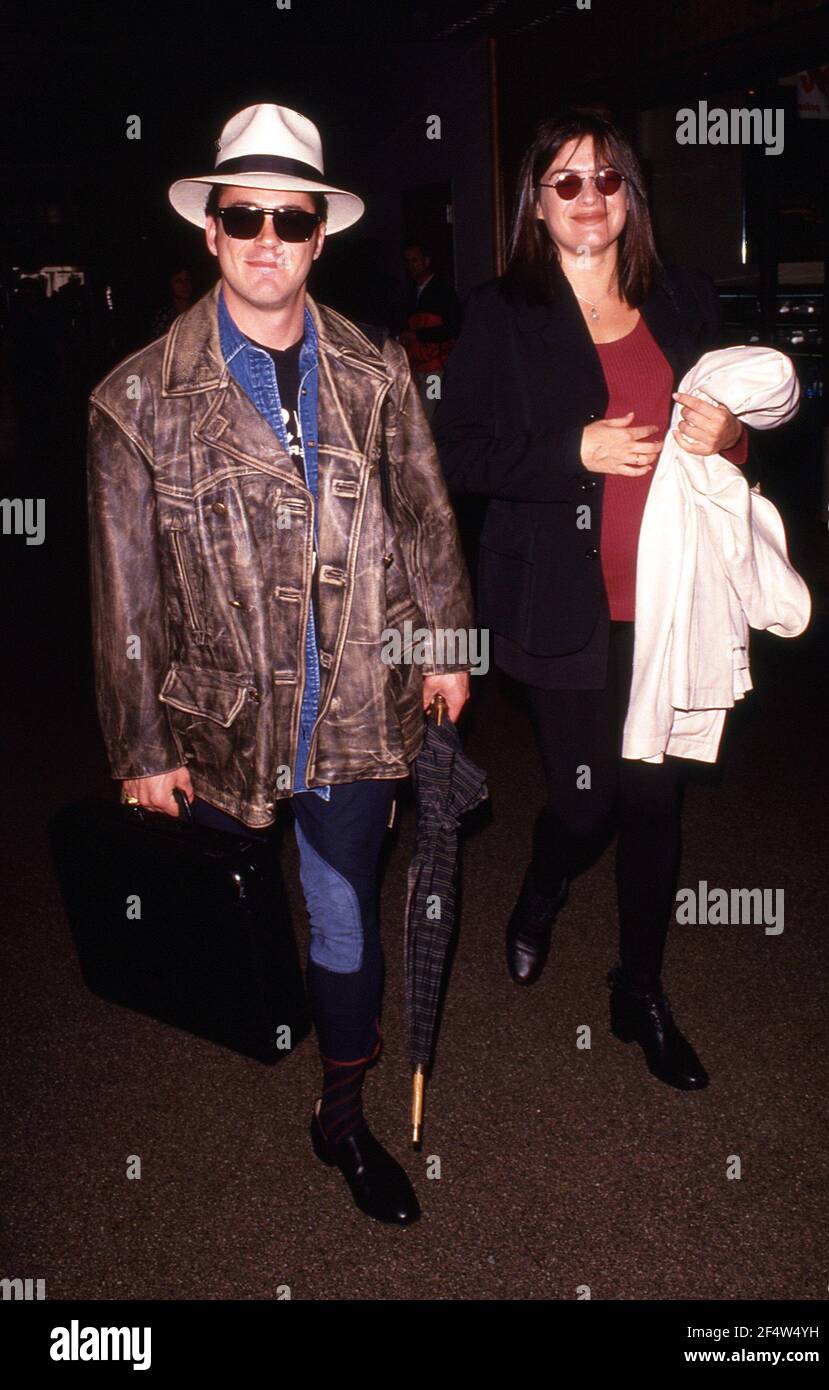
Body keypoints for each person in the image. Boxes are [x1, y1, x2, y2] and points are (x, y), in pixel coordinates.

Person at [86, 103, 473, 1225]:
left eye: (288, 218)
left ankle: (341, 1121)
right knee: (239, 921)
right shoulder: (134, 399)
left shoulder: (376, 368)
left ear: (318, 235)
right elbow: (124, 593)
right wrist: (141, 747)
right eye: (241, 214)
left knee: (344, 917)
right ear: (209, 232)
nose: (266, 237)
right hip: (218, 716)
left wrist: (446, 647)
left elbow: (424, 518)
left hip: (357, 705)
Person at [433, 109, 758, 1093]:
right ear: (535, 202)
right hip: (557, 600)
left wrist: (729, 437)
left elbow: (743, 432)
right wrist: (569, 452)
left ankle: (639, 992)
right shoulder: (496, 313)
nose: (587, 197)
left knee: (655, 801)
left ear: (631, 196)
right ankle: (542, 882)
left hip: (669, 600)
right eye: (564, 181)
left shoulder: (684, 299)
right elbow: (456, 453)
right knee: (586, 803)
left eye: (605, 179)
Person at [400, 241, 462, 417]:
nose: (411, 265)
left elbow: (453, 327)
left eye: (415, 260)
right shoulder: (411, 292)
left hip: (435, 370)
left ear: (426, 261)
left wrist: (418, 336)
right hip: (416, 367)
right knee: (416, 416)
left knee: (430, 414)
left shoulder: (443, 291)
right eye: (408, 261)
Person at [149, 266, 195, 337]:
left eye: (187, 279)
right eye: (178, 281)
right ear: (170, 286)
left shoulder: (199, 309)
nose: (184, 285)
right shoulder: (163, 316)